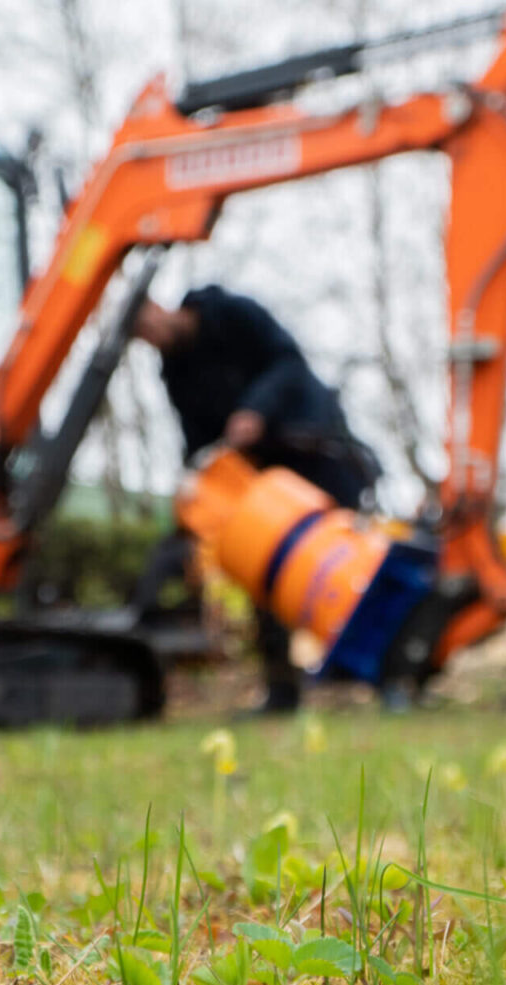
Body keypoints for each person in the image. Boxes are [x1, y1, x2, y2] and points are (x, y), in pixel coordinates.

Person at [132, 285, 376, 715]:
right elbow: (197, 439)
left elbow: (287, 361)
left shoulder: (229, 313)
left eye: (145, 323)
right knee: (268, 574)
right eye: (139, 336)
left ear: (156, 305)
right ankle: (283, 691)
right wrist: (196, 482)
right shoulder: (174, 372)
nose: (148, 336)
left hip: (314, 454)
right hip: (262, 484)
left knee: (346, 561)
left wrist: (255, 409)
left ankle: (386, 669)